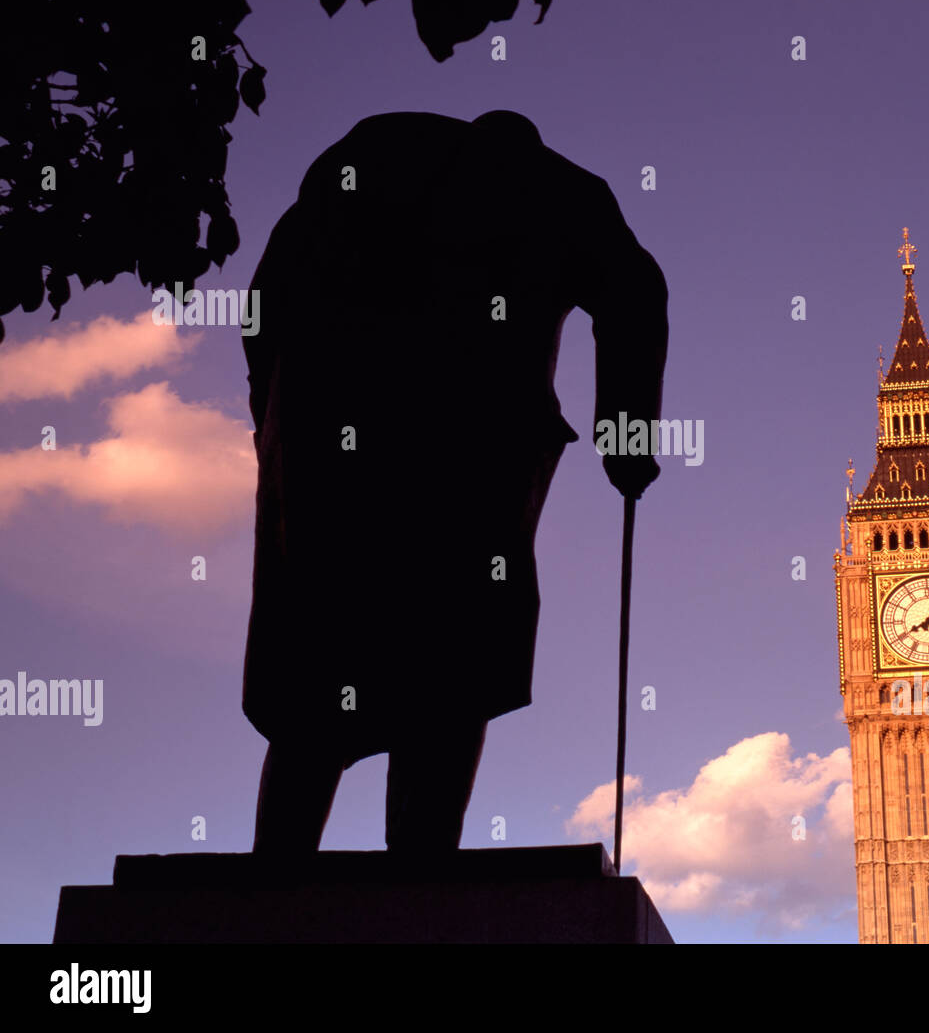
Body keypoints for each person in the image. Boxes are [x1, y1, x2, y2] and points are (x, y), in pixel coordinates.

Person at [241, 110, 668, 856]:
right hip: (472, 448)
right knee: (455, 656)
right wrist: (624, 437)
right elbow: (636, 291)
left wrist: (272, 428)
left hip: (327, 438)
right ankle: (421, 867)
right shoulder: (555, 186)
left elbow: (262, 307)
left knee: (321, 656)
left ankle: (273, 874)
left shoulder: (360, 157)